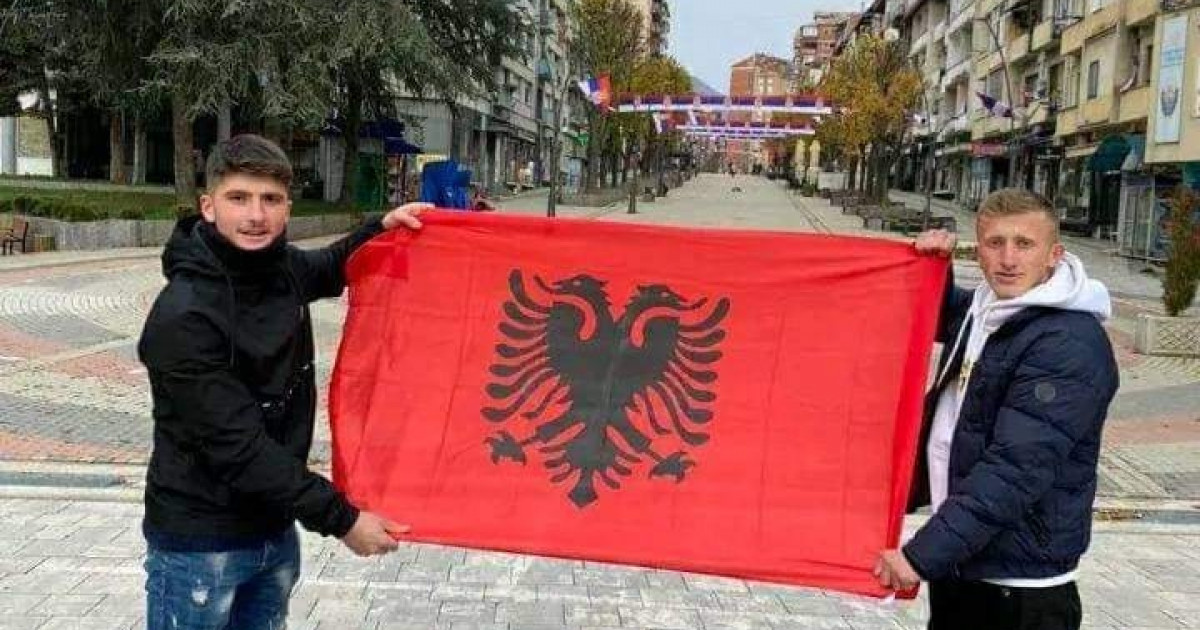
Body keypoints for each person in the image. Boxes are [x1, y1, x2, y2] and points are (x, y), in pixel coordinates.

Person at [138, 134, 433, 630]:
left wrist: (382, 228)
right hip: (200, 543)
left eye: (270, 200)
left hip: (273, 532)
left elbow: (331, 265)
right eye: (239, 198)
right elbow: (238, 449)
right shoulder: (184, 315)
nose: (256, 215)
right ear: (208, 207)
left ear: (287, 206)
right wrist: (342, 519)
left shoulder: (280, 266)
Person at [875, 188, 1119, 630]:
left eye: (1024, 244)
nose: (1008, 258)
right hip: (967, 567)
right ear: (979, 249)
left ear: (1053, 254)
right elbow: (936, 311)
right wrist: (933, 267)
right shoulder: (990, 310)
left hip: (1020, 591)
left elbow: (1015, 470)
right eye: (995, 243)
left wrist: (924, 554)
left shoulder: (1068, 343)